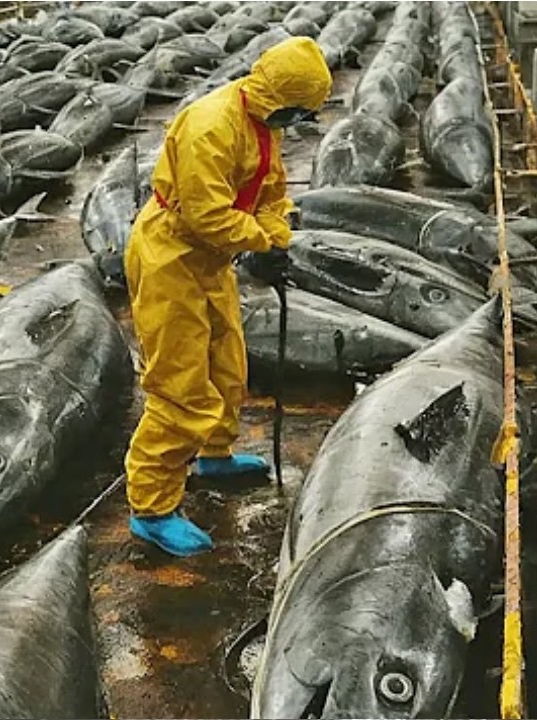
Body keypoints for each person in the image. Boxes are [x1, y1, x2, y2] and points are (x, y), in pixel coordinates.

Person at [122, 37, 331, 558]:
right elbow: (205, 215)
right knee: (180, 385)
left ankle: (214, 455)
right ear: (282, 97)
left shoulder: (261, 123)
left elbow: (272, 193)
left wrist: (275, 230)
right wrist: (262, 241)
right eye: (301, 112)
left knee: (226, 365)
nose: (299, 122)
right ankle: (151, 508)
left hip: (211, 258)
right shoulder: (211, 126)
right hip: (171, 255)